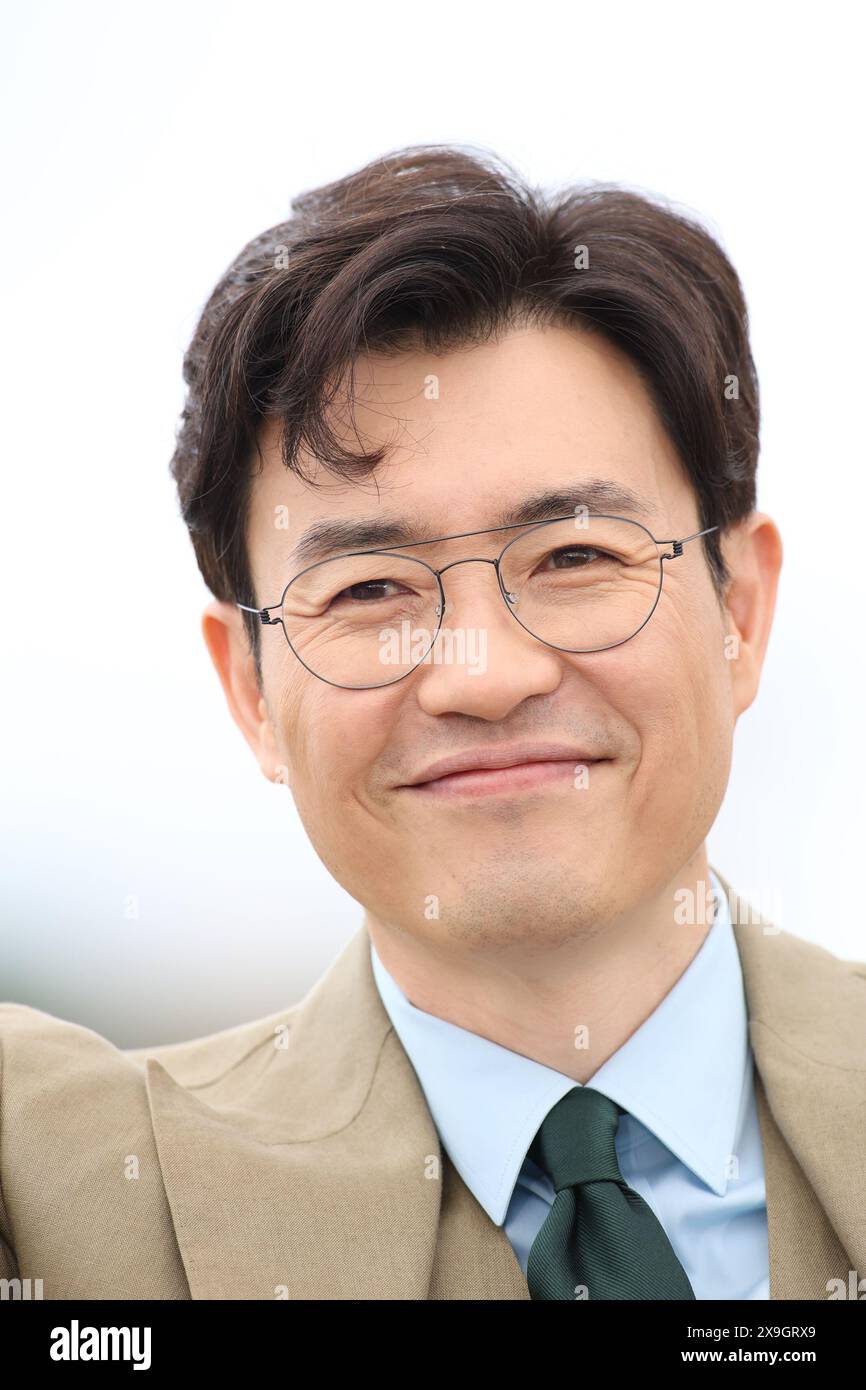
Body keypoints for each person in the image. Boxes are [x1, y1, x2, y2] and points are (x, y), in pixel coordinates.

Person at [2, 146, 863, 1302]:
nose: (483, 673)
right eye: (367, 589)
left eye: (574, 556)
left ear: (739, 614)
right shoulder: (67, 1207)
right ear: (250, 689)